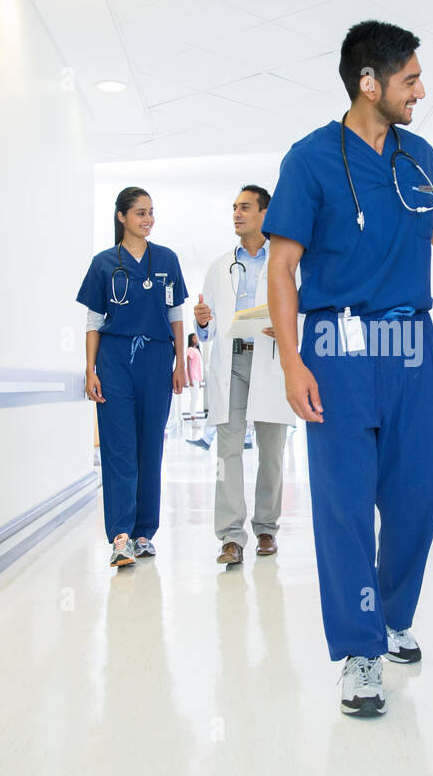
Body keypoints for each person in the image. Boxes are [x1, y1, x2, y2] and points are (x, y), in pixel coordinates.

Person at [264, 20, 433, 717]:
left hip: (412, 347)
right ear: (368, 83)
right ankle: (359, 649)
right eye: (409, 78)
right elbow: (284, 266)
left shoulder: (420, 156)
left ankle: (387, 610)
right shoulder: (310, 159)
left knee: (421, 491)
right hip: (337, 350)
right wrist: (291, 360)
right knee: (345, 505)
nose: (420, 89)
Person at [77, 186, 188, 567]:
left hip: (157, 358)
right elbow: (93, 321)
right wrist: (90, 369)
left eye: (151, 212)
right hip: (115, 360)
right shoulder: (103, 263)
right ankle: (120, 535)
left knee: (150, 446)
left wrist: (180, 362)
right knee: (118, 446)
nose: (148, 219)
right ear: (122, 217)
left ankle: (144, 533)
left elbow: (175, 314)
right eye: (140, 213)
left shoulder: (167, 260)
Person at [194, 184, 294, 566]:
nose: (237, 214)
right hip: (232, 361)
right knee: (228, 450)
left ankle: (266, 528)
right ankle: (231, 537)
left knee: (272, 450)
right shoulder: (220, 266)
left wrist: (285, 327)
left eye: (246, 207)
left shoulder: (285, 259)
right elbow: (208, 323)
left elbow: (299, 308)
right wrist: (202, 323)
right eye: (234, 208)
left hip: (270, 359)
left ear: (265, 214)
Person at [185, 332, 204, 432]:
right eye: (194, 338)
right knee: (194, 399)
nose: (196, 339)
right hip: (193, 378)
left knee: (195, 399)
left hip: (197, 379)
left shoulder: (197, 350)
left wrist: (200, 380)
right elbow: (188, 365)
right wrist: (190, 379)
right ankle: (193, 419)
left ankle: (194, 418)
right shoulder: (190, 350)